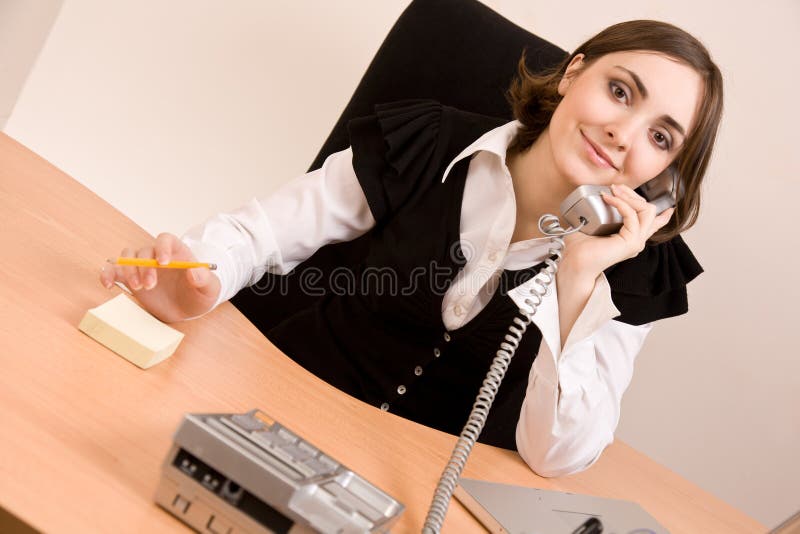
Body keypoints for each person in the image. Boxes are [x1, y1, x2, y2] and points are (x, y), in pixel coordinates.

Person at [99, 20, 723, 477]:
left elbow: (556, 455)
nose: (623, 134)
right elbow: (261, 232)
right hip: (272, 411)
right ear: (574, 73)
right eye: (620, 92)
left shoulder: (633, 272)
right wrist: (201, 277)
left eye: (661, 137)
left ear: (664, 177)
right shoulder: (428, 142)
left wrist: (578, 282)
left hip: (408, 488)